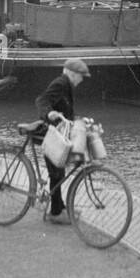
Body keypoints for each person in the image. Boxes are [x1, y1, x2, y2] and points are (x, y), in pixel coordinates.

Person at [35, 58, 91, 224]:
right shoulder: (60, 83)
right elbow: (42, 100)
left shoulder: (67, 85)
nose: (82, 80)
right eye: (81, 76)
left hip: (60, 132)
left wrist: (77, 121)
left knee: (59, 171)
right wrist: (49, 113)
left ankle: (59, 207)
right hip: (51, 133)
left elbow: (66, 109)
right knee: (56, 172)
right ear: (73, 74)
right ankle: (55, 212)